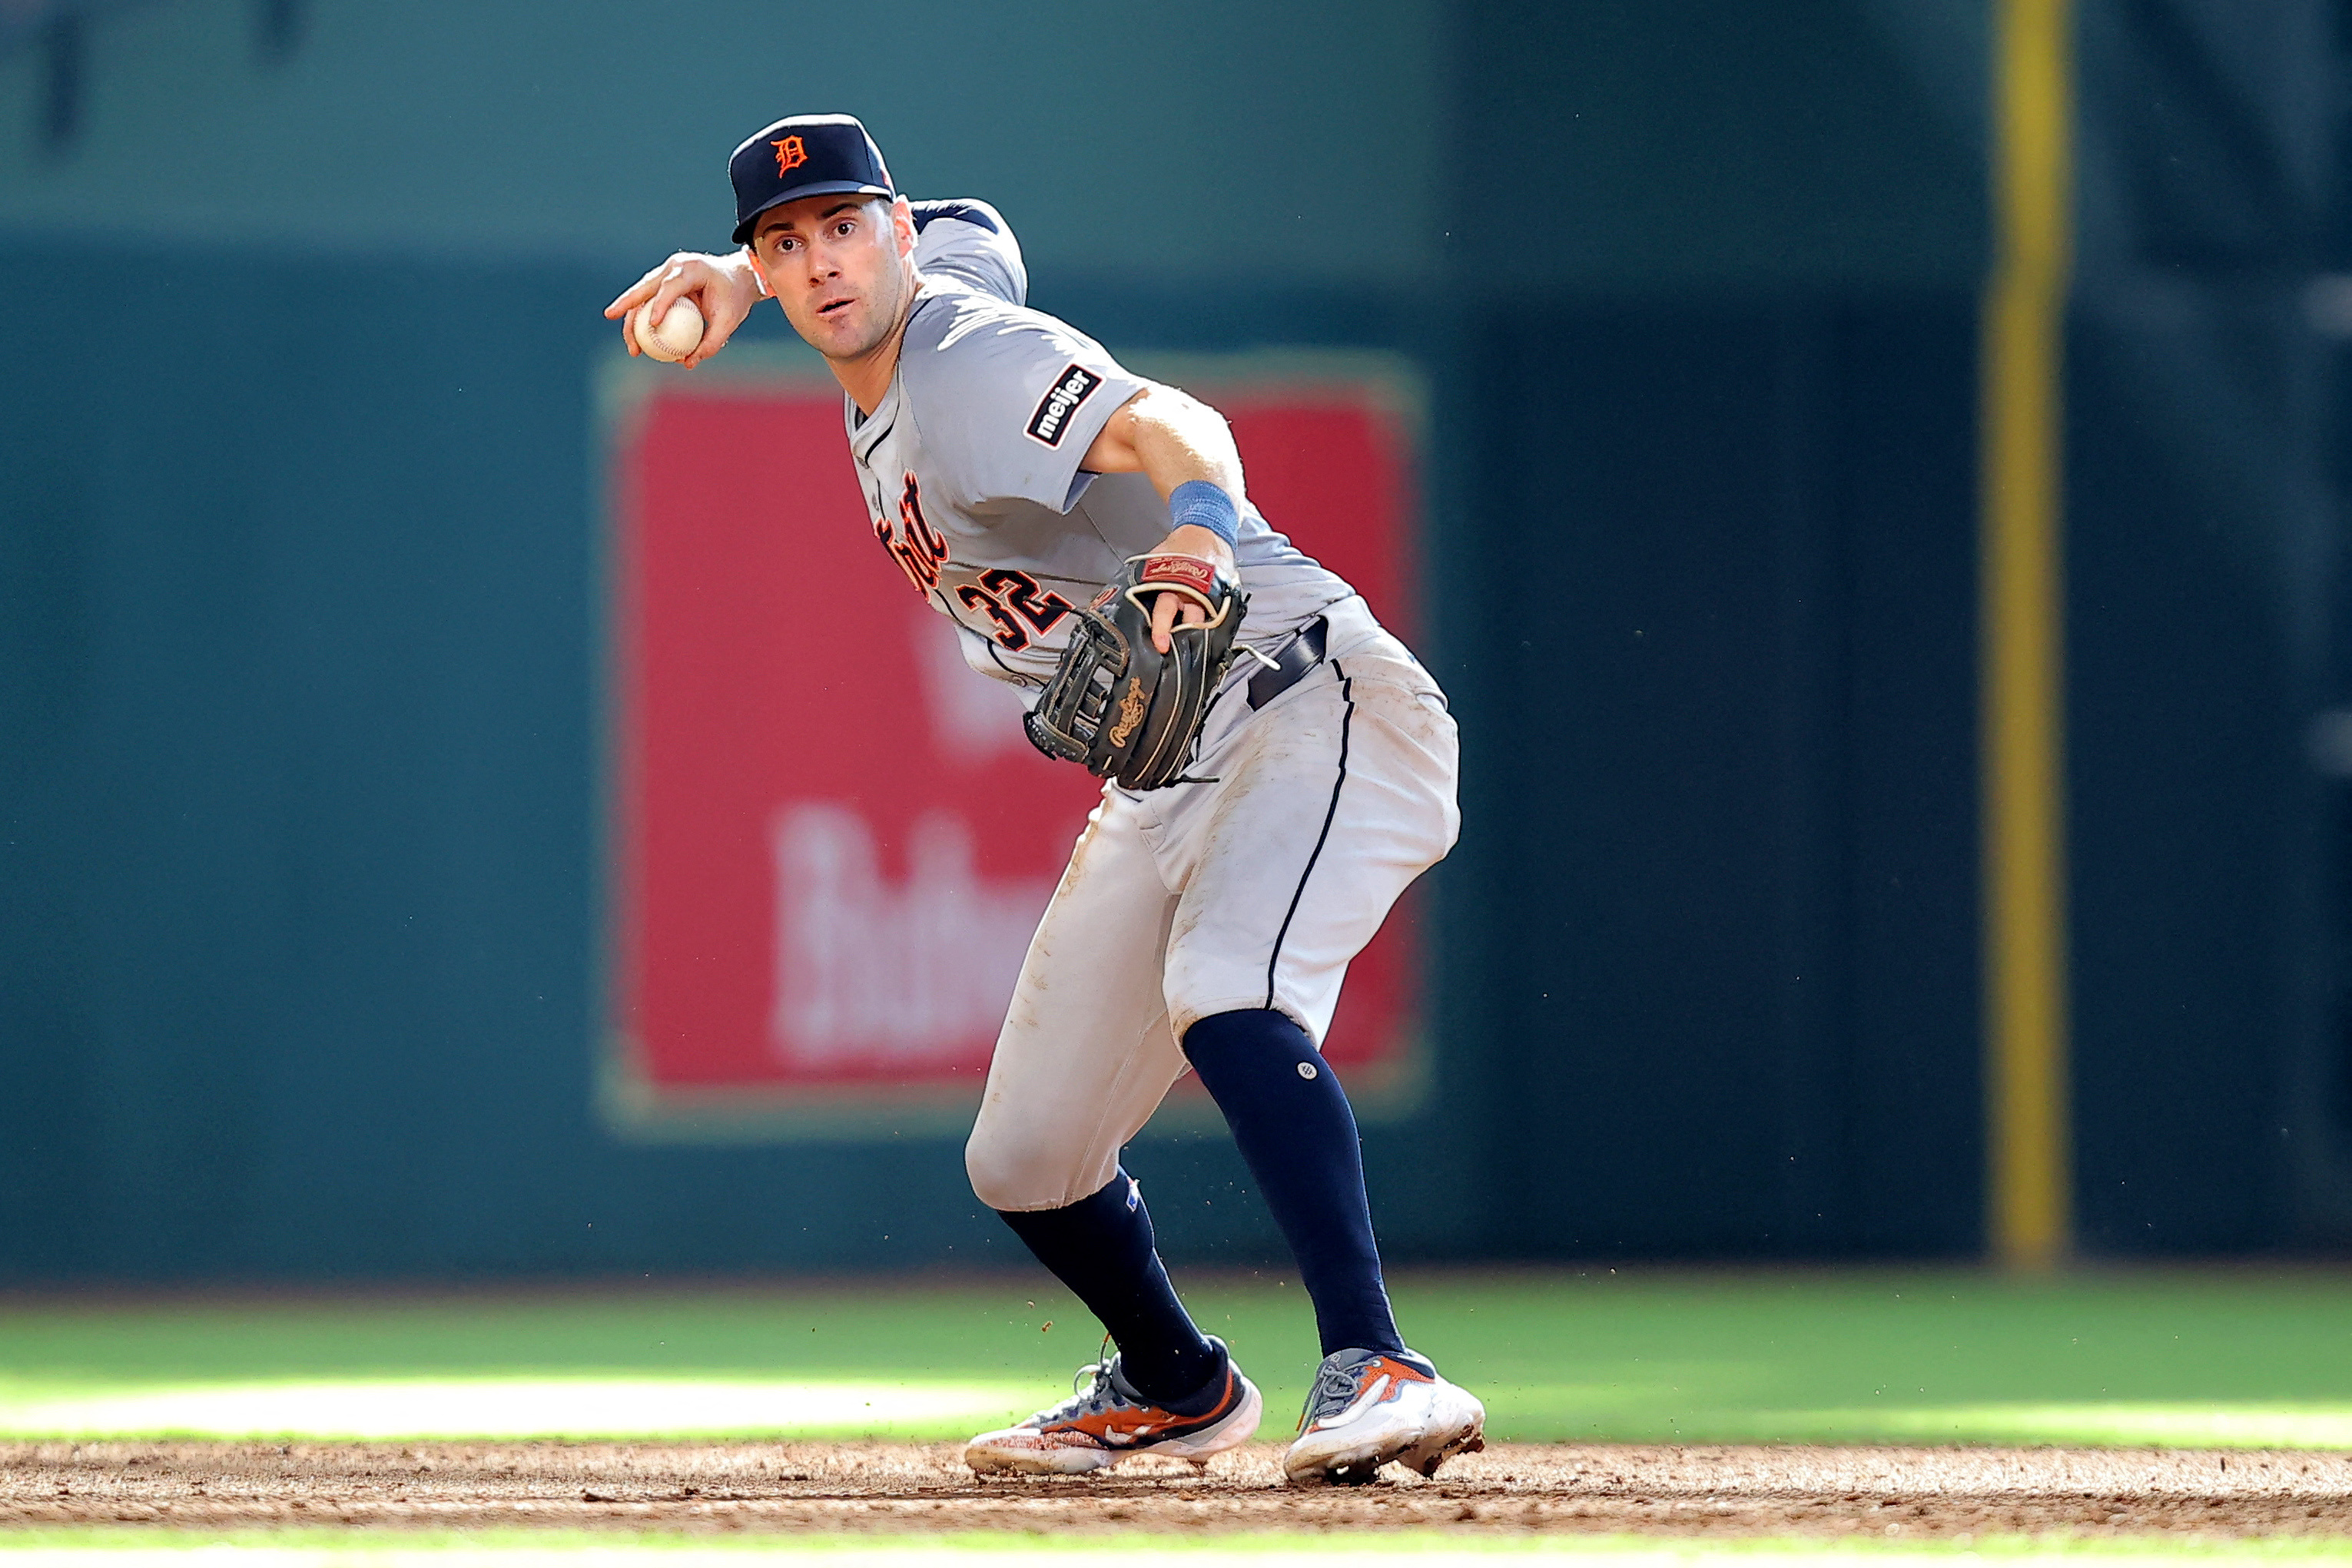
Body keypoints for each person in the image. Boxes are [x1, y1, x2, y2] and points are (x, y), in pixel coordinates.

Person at [605, 113, 1482, 1486]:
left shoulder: (960, 366)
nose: (824, 259)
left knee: (1229, 988)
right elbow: (980, 226)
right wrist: (720, 284)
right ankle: (1175, 1381)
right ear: (765, 275)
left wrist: (1195, 524)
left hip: (1305, 693)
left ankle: (1377, 1361)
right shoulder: (928, 284)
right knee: (1024, 1156)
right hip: (1168, 768)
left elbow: (1171, 421)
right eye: (785, 243)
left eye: (845, 225)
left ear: (889, 232)